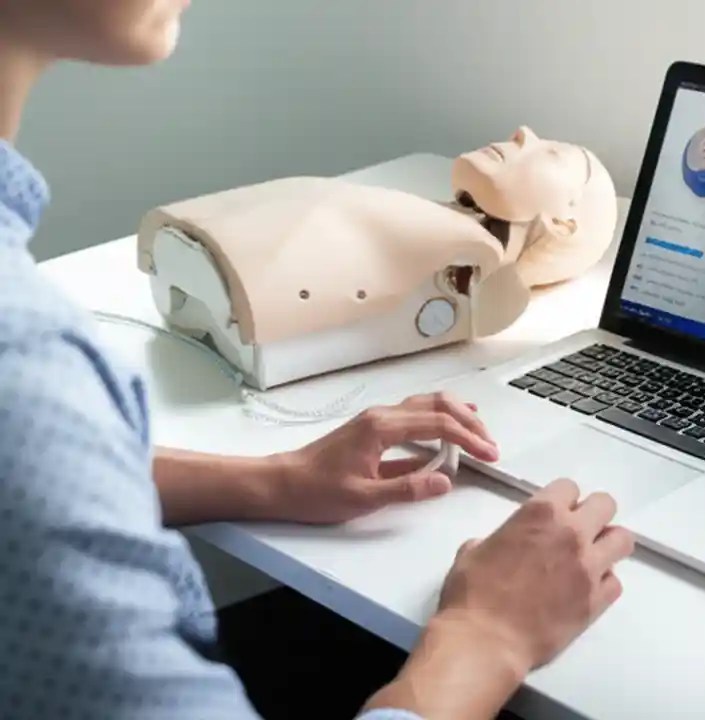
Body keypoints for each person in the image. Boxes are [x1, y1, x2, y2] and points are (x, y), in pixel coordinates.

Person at [0, 2, 634, 719]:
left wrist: (268, 481)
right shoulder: (26, 365)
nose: (522, 138)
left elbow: (34, 468)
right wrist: (486, 637)